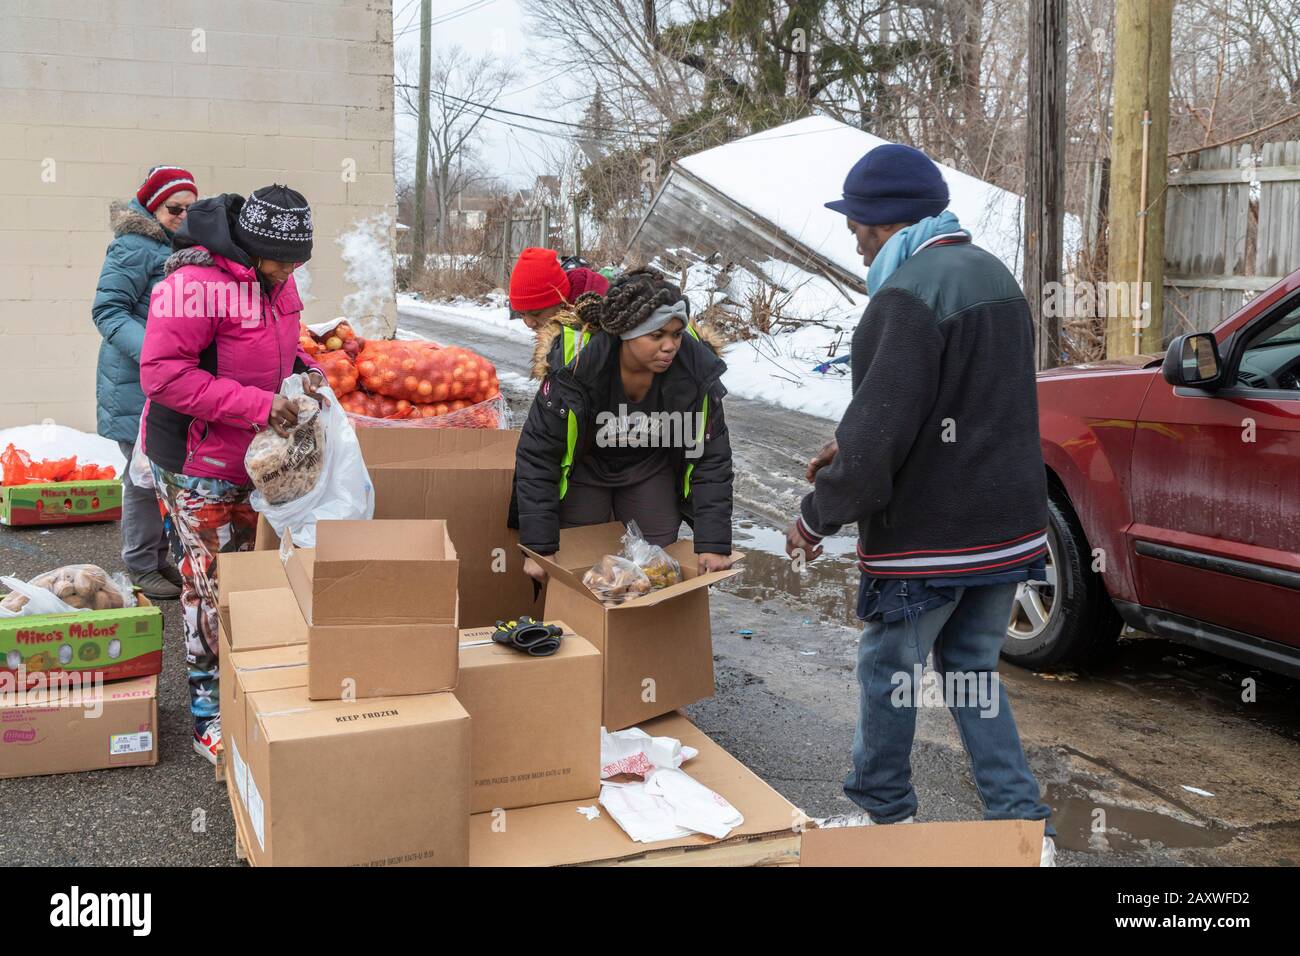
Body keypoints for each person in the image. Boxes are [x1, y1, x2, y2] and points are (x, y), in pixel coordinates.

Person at [783, 144, 1057, 864]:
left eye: (857, 222)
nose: (852, 235)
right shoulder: (993, 276)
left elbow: (882, 436)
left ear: (885, 220)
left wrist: (818, 514)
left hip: (931, 541)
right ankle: (1023, 830)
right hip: (1006, 532)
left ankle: (884, 822)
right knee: (970, 674)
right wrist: (850, 448)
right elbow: (944, 410)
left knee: (889, 674)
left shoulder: (905, 295)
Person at [138, 184, 324, 765]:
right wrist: (257, 404)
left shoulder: (277, 278)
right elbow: (163, 376)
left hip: (255, 460)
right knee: (211, 587)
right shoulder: (192, 286)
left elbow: (276, 349)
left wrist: (307, 371)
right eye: (281, 260)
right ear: (249, 244)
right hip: (197, 463)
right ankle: (207, 712)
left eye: (298, 261)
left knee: (255, 577)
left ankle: (251, 690)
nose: (289, 271)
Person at [512, 269, 735, 578]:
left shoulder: (694, 373)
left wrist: (714, 542)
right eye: (657, 335)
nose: (670, 345)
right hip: (586, 468)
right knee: (582, 563)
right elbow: (537, 456)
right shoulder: (577, 368)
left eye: (676, 334)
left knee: (657, 567)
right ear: (625, 335)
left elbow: (712, 458)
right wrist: (539, 548)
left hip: (649, 466)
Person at [91, 166, 198, 601]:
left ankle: (157, 559)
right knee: (140, 478)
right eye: (175, 209)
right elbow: (108, 311)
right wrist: (155, 353)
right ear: (153, 205)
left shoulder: (177, 246)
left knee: (157, 471)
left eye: (191, 210)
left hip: (164, 380)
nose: (182, 216)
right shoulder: (132, 247)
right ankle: (139, 564)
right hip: (133, 381)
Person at [508, 246, 609, 332]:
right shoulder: (560, 327)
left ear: (562, 301)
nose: (529, 323)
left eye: (536, 313)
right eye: (522, 314)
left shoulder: (603, 323)